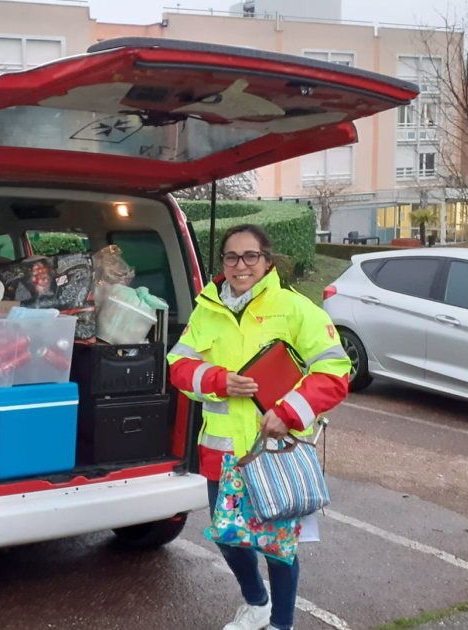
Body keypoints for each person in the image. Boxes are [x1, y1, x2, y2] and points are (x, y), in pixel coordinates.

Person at [167, 224, 351, 630]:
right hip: (221, 453)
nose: (241, 265)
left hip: (274, 453)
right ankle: (256, 603)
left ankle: (282, 624)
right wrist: (219, 380)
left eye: (251, 256)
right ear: (223, 264)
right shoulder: (206, 309)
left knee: (278, 548)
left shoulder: (295, 308)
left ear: (267, 260)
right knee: (227, 537)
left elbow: (335, 371)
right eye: (231, 257)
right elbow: (178, 367)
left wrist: (287, 412)